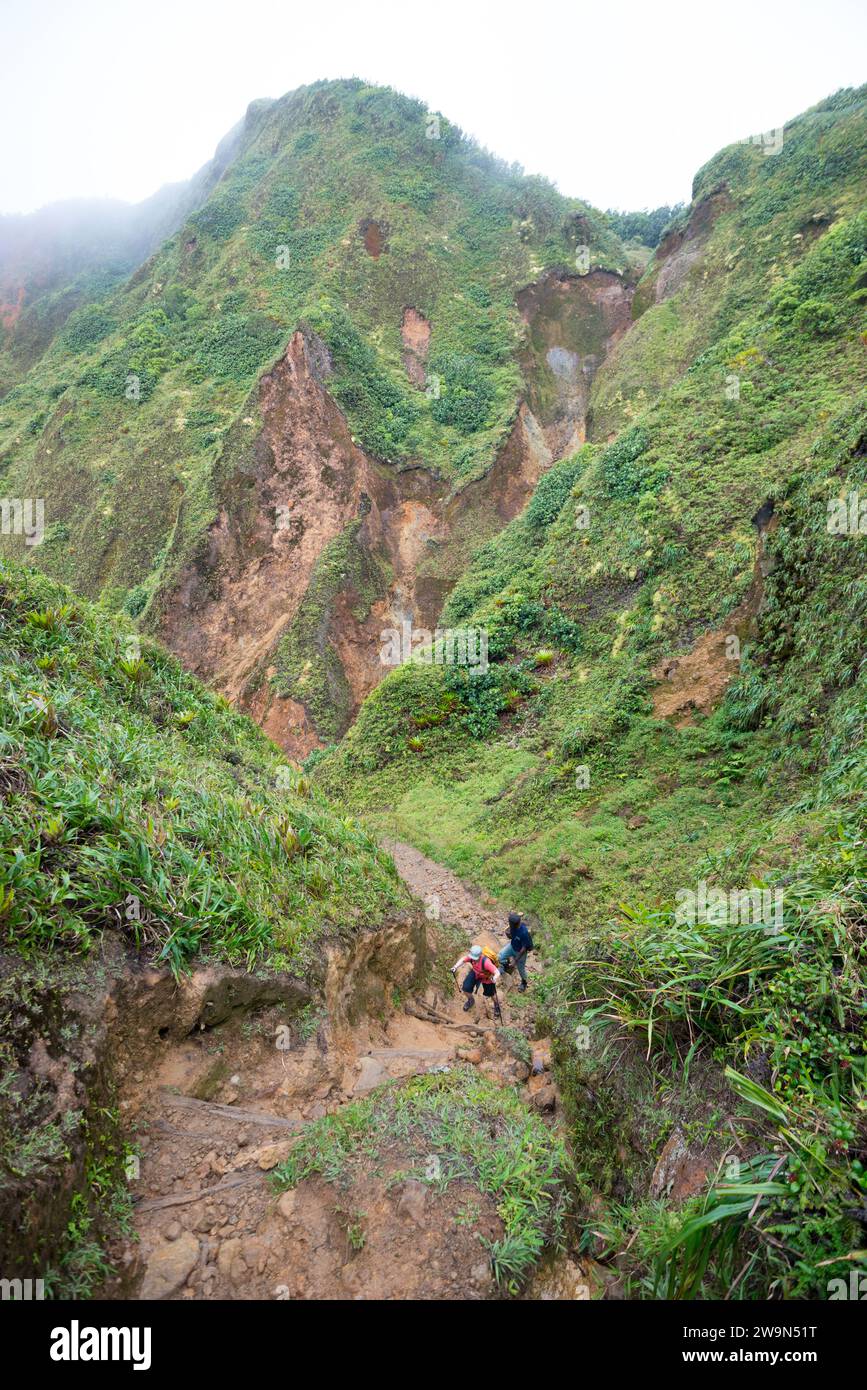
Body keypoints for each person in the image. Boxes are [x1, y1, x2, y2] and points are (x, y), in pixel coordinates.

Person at [452, 944, 501, 1012]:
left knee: (491, 993)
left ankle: (496, 1004)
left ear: (480, 955)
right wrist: (455, 967)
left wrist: (494, 978)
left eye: (475, 958)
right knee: (466, 988)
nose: (474, 960)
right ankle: (471, 1000)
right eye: (473, 957)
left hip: (486, 976)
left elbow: (497, 972)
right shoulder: (471, 958)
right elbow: (463, 959)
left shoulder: (486, 962)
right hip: (475, 972)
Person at [498, 912, 533, 992]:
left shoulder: (524, 932)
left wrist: (515, 960)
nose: (509, 925)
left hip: (520, 952)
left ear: (516, 924)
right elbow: (513, 935)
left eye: (510, 924)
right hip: (512, 946)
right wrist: (509, 935)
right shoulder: (512, 926)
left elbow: (524, 948)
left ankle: (524, 983)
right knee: (500, 956)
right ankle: (506, 966)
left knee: (521, 970)